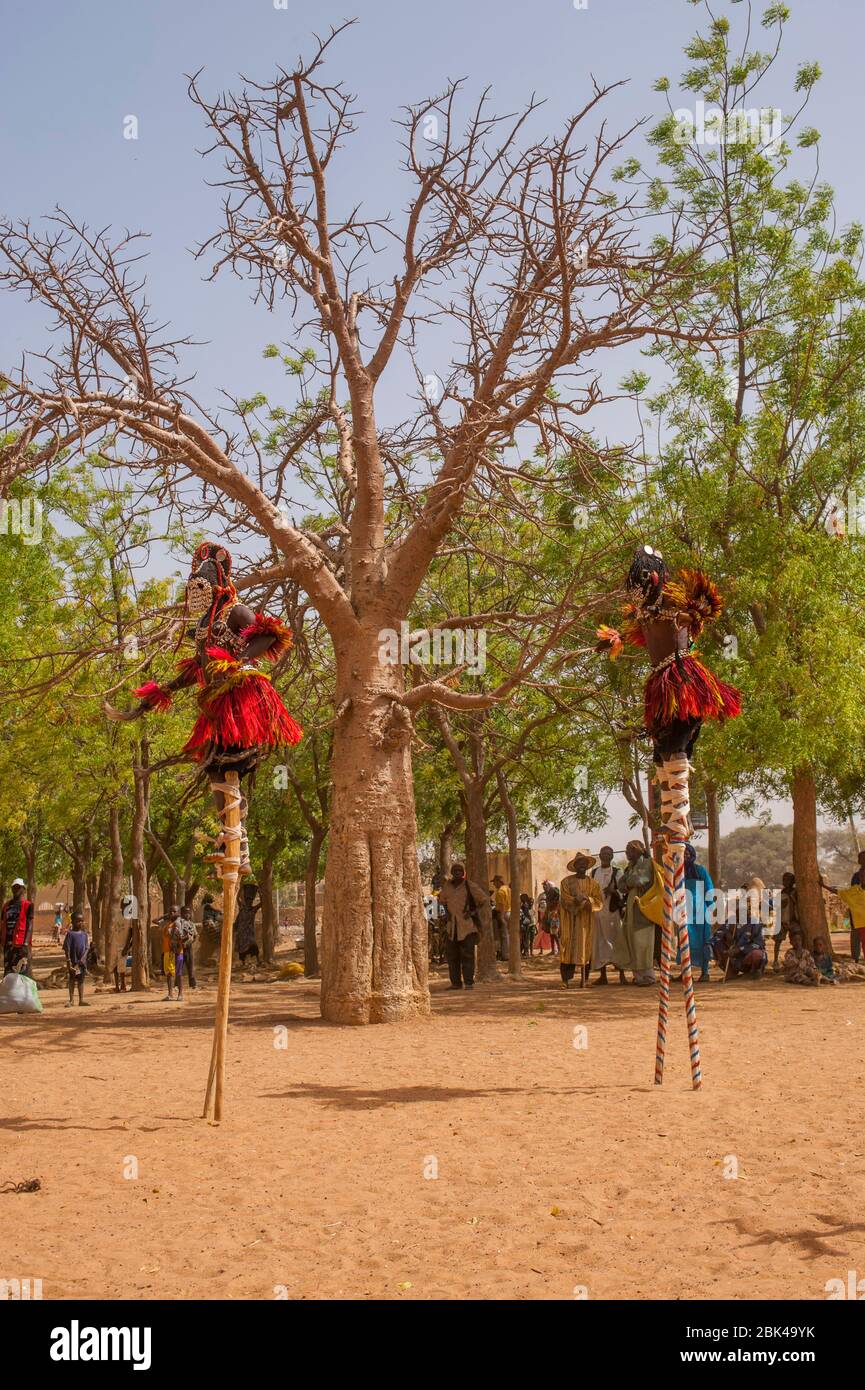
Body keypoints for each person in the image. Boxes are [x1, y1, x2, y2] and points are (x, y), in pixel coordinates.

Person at [106, 542, 303, 873]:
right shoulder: (202, 627)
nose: (199, 589)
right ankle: (234, 839)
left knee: (233, 763)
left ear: (219, 584)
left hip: (240, 699)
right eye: (195, 583)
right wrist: (158, 693)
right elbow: (197, 669)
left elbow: (273, 635)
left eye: (205, 583)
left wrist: (238, 658)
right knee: (215, 765)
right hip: (216, 704)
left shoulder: (235, 612)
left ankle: (237, 841)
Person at [612, 842, 656, 985]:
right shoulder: (630, 867)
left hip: (644, 907)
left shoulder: (648, 863)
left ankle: (648, 976)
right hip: (632, 907)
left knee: (643, 942)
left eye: (629, 851)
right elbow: (621, 884)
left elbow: (639, 880)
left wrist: (629, 883)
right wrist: (629, 883)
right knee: (632, 940)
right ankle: (638, 976)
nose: (627, 854)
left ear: (637, 851)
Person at [438, 862, 487, 990]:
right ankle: (455, 983)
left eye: (460, 870)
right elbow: (441, 901)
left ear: (463, 872)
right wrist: (446, 913)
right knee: (452, 956)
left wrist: (472, 912)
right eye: (455, 870)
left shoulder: (469, 885)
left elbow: (483, 900)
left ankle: (469, 983)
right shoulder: (447, 886)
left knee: (468, 956)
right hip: (451, 928)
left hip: (467, 927)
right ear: (452, 872)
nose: (458, 872)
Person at [559, 852, 603, 987]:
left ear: (588, 866)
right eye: (579, 864)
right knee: (567, 949)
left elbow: (598, 901)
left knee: (585, 948)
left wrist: (587, 901)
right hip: (570, 921)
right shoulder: (566, 882)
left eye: (584, 864)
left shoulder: (593, 884)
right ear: (575, 866)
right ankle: (565, 981)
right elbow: (565, 899)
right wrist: (576, 900)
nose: (582, 866)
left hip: (586, 921)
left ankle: (584, 980)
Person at [591, 846, 624, 984]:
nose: (606, 856)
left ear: (611, 856)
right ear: (600, 855)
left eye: (609, 854)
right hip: (598, 913)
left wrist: (613, 891)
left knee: (617, 941)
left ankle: (622, 975)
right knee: (600, 943)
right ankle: (603, 976)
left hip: (613, 913)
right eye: (604, 854)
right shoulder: (593, 873)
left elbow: (623, 891)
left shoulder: (618, 872)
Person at [681, 844, 714, 983]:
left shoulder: (700, 870)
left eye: (688, 853)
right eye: (683, 853)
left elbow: (709, 890)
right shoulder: (678, 872)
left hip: (701, 911)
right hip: (684, 912)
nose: (685, 856)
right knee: (684, 941)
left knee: (703, 941)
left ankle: (705, 972)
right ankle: (686, 973)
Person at [1, 879, 34, 977]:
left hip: (21, 944)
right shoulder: (6, 906)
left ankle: (21, 992)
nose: (16, 889)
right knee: (8, 971)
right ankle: (9, 992)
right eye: (14, 887)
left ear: (23, 889)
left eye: (18, 887)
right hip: (8, 944)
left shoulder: (28, 905)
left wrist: (26, 942)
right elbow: (2, 924)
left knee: (21, 970)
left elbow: (30, 924)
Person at [63, 911, 90, 1007]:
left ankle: (81, 1000)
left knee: (81, 980)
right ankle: (71, 1000)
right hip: (73, 962)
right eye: (78, 921)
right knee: (72, 979)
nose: (81, 923)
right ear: (73, 922)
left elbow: (87, 948)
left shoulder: (84, 934)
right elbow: (67, 948)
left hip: (81, 963)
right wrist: (68, 962)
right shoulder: (70, 934)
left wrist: (83, 958)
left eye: (82, 921)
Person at [773, 872, 800, 972]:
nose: (785, 882)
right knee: (777, 941)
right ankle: (775, 961)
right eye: (784, 880)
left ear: (793, 881)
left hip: (794, 920)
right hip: (782, 921)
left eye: (788, 880)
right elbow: (776, 908)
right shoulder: (781, 894)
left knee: (797, 938)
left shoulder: (796, 892)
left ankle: (797, 959)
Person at [234, 883, 261, 972]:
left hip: (249, 933)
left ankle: (258, 960)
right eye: (247, 899)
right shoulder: (242, 907)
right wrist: (240, 889)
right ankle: (243, 962)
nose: (249, 901)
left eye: (250, 900)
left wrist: (260, 893)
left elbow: (262, 903)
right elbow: (237, 898)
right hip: (241, 932)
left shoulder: (253, 910)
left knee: (253, 945)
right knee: (242, 948)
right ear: (245, 900)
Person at [492, 875, 511, 961]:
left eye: (495, 882)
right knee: (507, 935)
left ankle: (505, 955)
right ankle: (508, 954)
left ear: (499, 881)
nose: (494, 884)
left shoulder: (500, 891)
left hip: (503, 913)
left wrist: (501, 917)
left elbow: (501, 905)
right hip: (510, 913)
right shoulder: (508, 889)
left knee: (503, 935)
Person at [519, 893, 536, 957]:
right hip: (526, 923)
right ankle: (525, 952)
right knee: (525, 938)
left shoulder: (524, 906)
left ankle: (526, 952)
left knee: (525, 938)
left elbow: (526, 916)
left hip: (525, 924)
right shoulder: (525, 906)